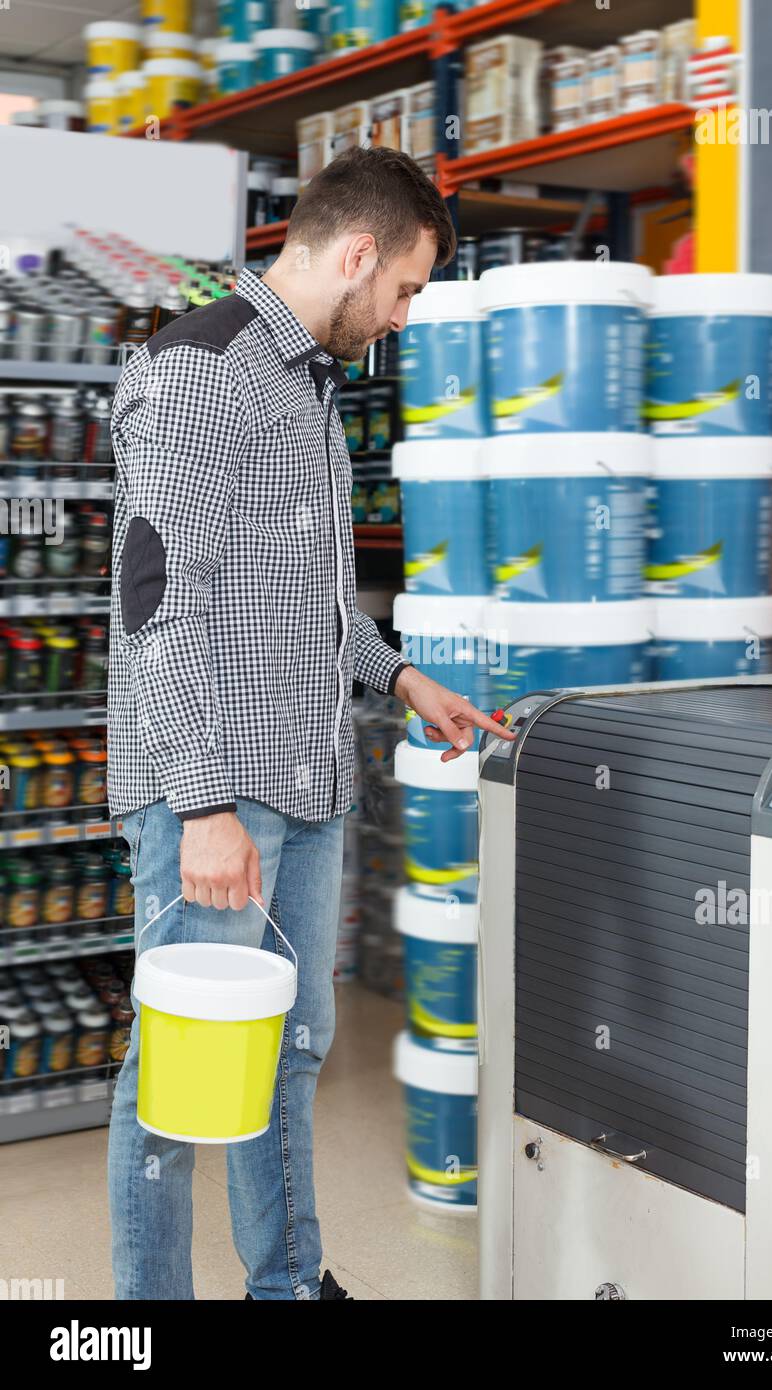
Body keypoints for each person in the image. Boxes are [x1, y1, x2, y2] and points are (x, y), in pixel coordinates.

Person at [106, 146, 515, 1300]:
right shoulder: (202, 369)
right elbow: (157, 600)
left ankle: (285, 1283)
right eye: (405, 290)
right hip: (215, 793)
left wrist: (399, 679)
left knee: (287, 1053)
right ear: (357, 251)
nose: (400, 317)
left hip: (306, 782)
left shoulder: (304, 383)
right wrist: (200, 805)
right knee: (181, 1074)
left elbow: (317, 603)